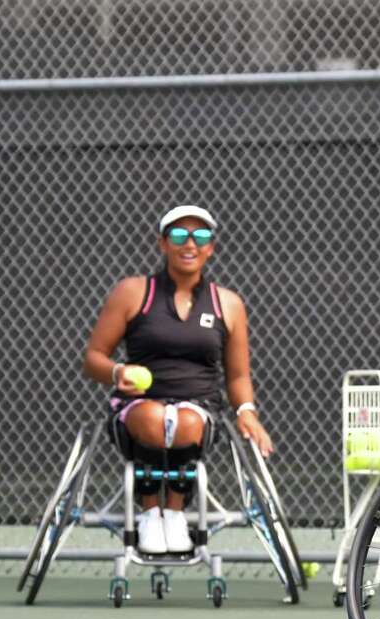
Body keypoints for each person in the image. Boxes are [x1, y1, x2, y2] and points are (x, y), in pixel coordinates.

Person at [82, 205, 273, 555]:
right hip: (137, 406)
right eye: (179, 235)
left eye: (200, 236)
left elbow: (238, 374)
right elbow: (93, 358)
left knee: (184, 423)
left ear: (210, 247)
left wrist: (247, 410)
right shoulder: (132, 292)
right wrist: (117, 372)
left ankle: (174, 513)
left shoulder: (228, 303)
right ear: (163, 244)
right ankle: (150, 511)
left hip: (199, 407)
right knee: (155, 420)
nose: (190, 244)